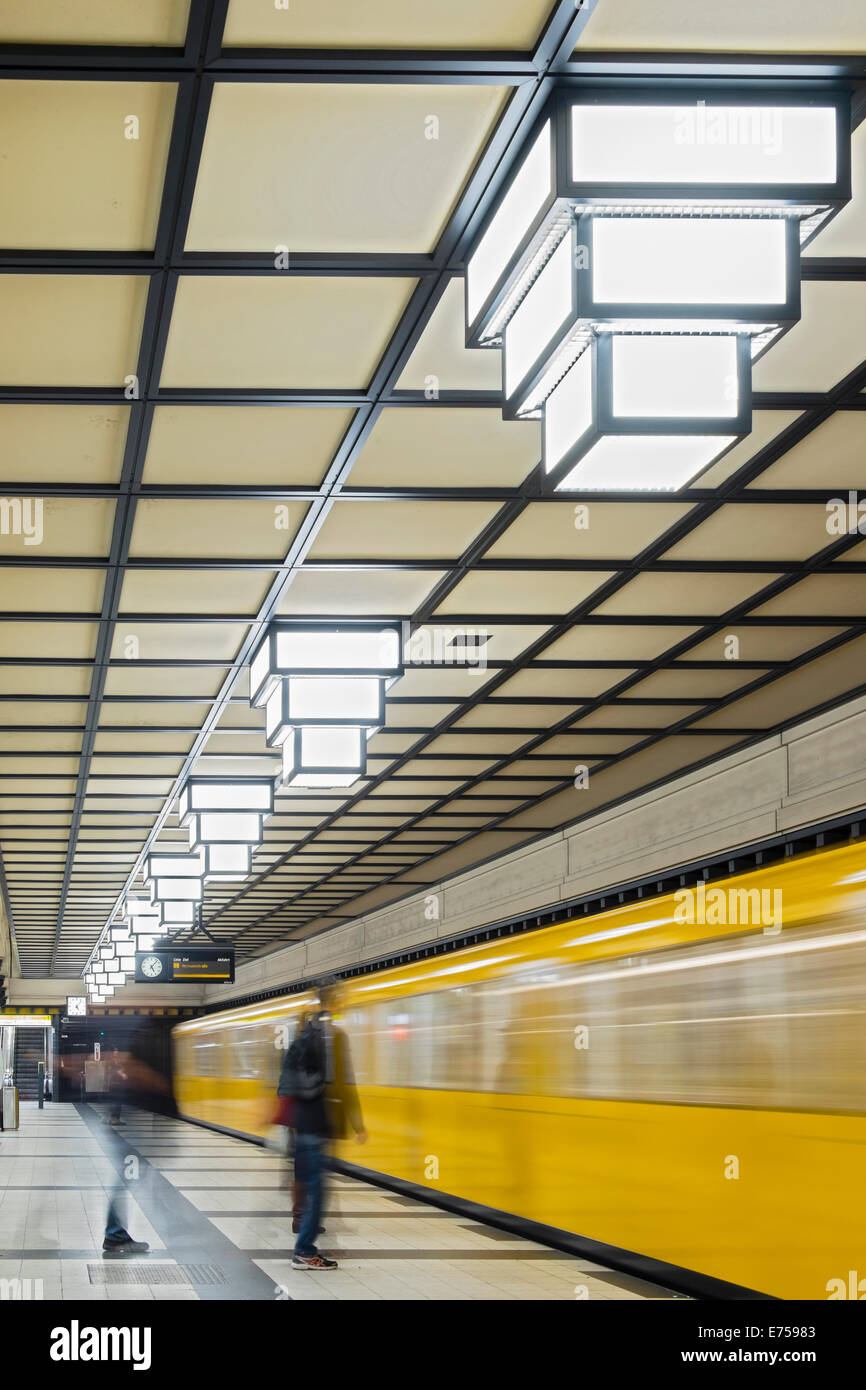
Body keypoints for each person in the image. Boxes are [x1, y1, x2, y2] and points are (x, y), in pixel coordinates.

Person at [277, 983, 366, 1271]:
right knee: (317, 1189)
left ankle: (303, 1244)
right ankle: (304, 1251)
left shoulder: (306, 1031)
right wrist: (357, 1124)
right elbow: (343, 1082)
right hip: (319, 1122)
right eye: (343, 998)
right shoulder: (334, 1036)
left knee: (309, 1185)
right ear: (337, 1001)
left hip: (302, 1123)